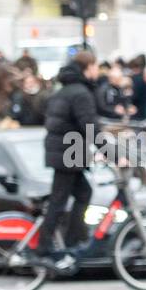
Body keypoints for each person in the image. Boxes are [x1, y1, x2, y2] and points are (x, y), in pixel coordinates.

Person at [38, 50, 101, 271]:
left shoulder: (67, 89)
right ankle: (44, 247)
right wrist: (115, 155)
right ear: (88, 68)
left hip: (64, 152)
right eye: (96, 66)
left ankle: (73, 242)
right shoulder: (81, 93)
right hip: (67, 154)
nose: (98, 71)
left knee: (84, 193)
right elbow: (91, 129)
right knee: (59, 201)